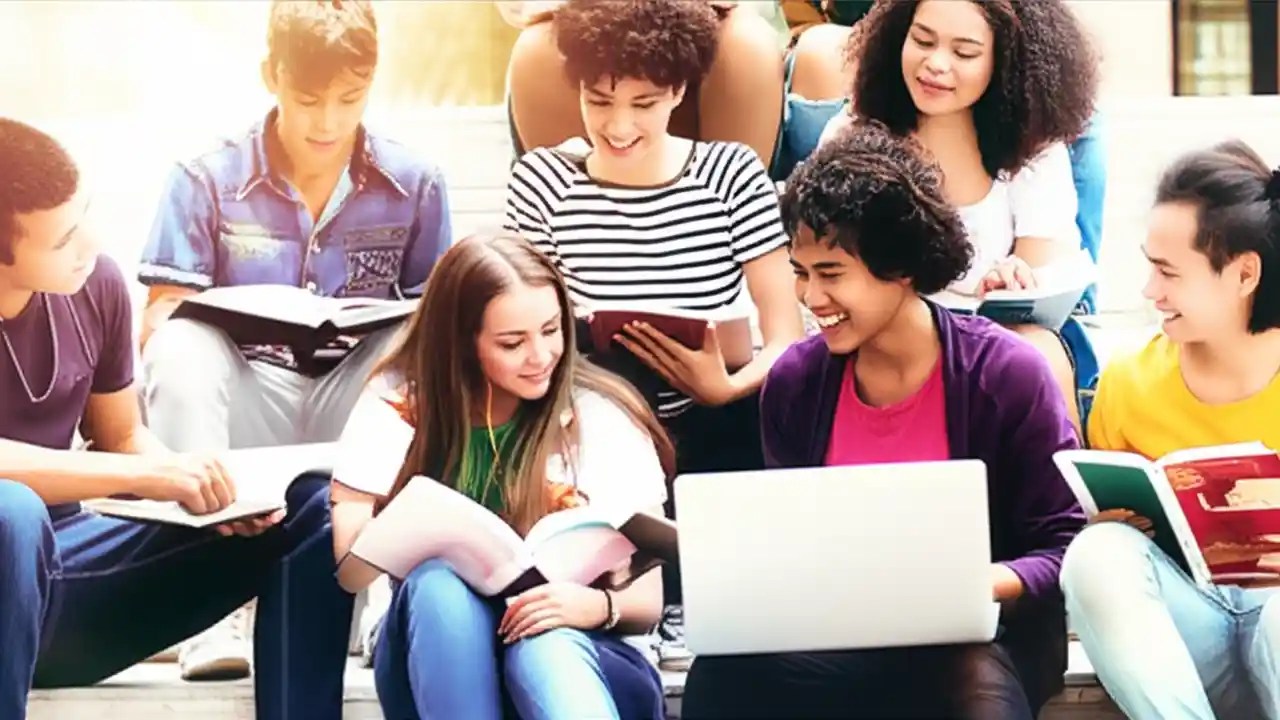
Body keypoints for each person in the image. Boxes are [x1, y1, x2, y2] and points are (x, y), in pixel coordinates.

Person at [681, 122, 1084, 719]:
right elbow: (792, 546)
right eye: (801, 271)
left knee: (974, 693)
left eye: (832, 273)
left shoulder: (1006, 374)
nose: (810, 297)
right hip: (840, 636)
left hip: (982, 640)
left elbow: (1065, 543)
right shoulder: (795, 381)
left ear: (901, 267)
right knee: (722, 678)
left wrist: (976, 583)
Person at [135, 0, 451, 680]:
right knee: (179, 347)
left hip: (356, 402)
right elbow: (159, 320)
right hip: (243, 400)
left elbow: (439, 322)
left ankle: (375, 589)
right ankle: (206, 611)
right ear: (269, 76)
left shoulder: (415, 182)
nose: (330, 122)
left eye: (351, 97)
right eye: (309, 100)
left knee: (424, 347)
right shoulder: (204, 177)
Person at [0, 118, 353, 720]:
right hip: (10, 567)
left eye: (83, 215)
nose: (89, 244)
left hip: (78, 585)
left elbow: (124, 436)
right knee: (15, 514)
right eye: (61, 240)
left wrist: (199, 484)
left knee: (312, 508)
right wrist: (147, 479)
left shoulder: (97, 285)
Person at [503, 0, 806, 669]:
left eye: (643, 103)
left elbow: (788, 337)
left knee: (775, 399)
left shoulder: (730, 176)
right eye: (599, 99)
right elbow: (521, 324)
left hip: (713, 416)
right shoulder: (543, 179)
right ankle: (634, 590)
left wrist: (725, 385)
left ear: (678, 91)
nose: (618, 125)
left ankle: (708, 597)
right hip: (590, 427)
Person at [327, 232, 669, 720]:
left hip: (583, 647)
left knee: (544, 642)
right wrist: (417, 531)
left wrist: (590, 607)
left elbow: (647, 599)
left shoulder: (601, 414)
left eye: (552, 330)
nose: (541, 356)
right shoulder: (398, 401)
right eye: (512, 343)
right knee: (440, 584)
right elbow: (351, 566)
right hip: (435, 641)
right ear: (462, 344)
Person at [1060, 141, 1280, 720]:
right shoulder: (1129, 383)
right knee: (1097, 553)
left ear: (1244, 274)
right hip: (1187, 637)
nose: (1149, 291)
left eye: (1168, 272)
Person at [823, 0, 1100, 436]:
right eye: (922, 41)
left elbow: (1045, 271)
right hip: (882, 336)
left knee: (1039, 352)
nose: (935, 64)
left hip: (989, 342)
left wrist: (1016, 276)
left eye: (964, 53)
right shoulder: (853, 133)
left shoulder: (1034, 149)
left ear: (1005, 61)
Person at [499, 0, 849, 182]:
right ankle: (579, 230)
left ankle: (733, 229)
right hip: (594, 38)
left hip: (745, 83)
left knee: (743, 46)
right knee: (541, 49)